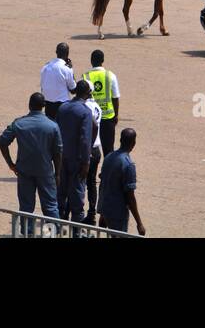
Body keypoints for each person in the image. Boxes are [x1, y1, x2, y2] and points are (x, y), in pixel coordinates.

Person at [0, 93, 62, 235]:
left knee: (26, 206)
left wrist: (11, 164)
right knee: (50, 205)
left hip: (24, 171)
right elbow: (58, 152)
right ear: (44, 106)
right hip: (45, 171)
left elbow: (2, 141)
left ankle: (28, 233)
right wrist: (57, 173)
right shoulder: (52, 126)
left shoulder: (19, 123)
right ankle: (53, 233)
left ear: (29, 105)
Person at [55, 85, 93, 224]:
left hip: (61, 157)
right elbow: (85, 139)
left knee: (60, 195)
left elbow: (56, 131)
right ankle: (76, 232)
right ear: (87, 94)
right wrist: (86, 163)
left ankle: (57, 228)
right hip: (77, 160)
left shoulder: (63, 107)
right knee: (77, 199)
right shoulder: (85, 112)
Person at [99, 127, 145, 236]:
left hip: (106, 209)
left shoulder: (109, 157)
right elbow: (130, 196)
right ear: (133, 143)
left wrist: (102, 212)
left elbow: (103, 184)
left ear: (120, 140)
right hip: (118, 213)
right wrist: (139, 223)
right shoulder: (128, 165)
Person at [83, 50, 120, 156]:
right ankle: (107, 172)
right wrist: (116, 115)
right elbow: (115, 97)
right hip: (108, 117)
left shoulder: (86, 76)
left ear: (91, 61)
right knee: (108, 149)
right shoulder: (110, 75)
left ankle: (89, 171)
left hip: (91, 118)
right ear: (103, 61)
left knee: (90, 148)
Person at [79, 80, 103, 225]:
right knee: (92, 182)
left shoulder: (85, 106)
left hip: (87, 149)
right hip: (97, 148)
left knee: (80, 181)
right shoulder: (96, 106)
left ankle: (78, 213)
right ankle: (92, 212)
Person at [41, 42, 76, 120]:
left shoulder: (46, 66)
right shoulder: (66, 68)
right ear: (67, 54)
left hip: (48, 105)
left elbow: (42, 87)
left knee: (50, 128)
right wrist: (71, 69)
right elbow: (73, 90)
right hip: (62, 106)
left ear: (56, 52)